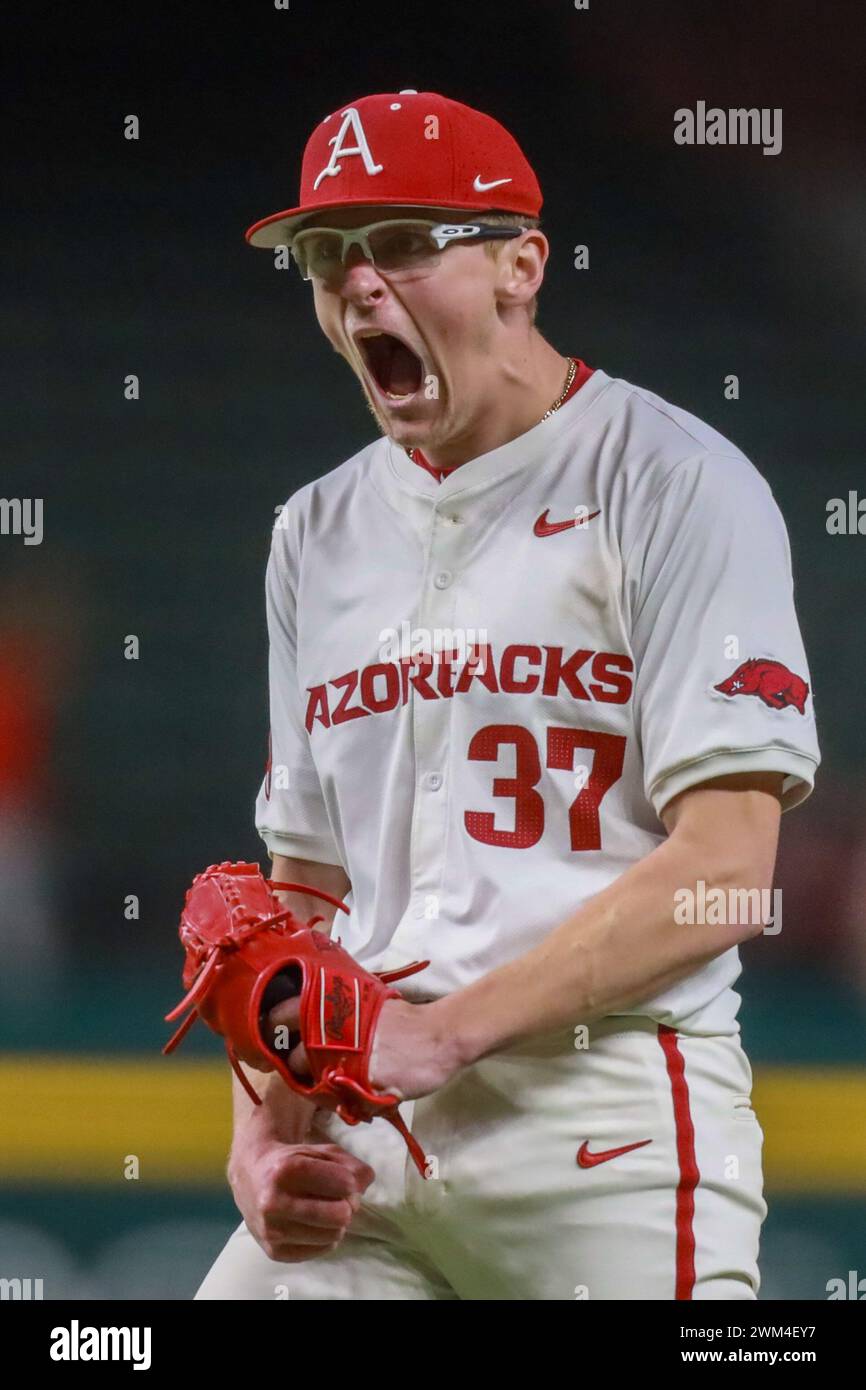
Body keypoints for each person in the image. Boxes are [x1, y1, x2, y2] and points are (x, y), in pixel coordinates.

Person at [196, 90, 819, 1300]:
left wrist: (443, 1030)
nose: (357, 283)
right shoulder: (314, 530)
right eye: (329, 256)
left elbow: (729, 868)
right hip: (366, 1139)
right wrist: (262, 1125)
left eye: (406, 243)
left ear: (521, 266)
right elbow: (302, 888)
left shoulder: (673, 480)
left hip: (608, 1128)